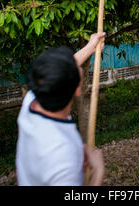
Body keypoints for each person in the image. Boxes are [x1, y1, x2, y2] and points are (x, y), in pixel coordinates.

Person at [16, 32, 106, 186]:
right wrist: (98, 172)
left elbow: (62, 71)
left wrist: (91, 46)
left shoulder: (32, 100)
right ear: (77, 89)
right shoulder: (63, 154)